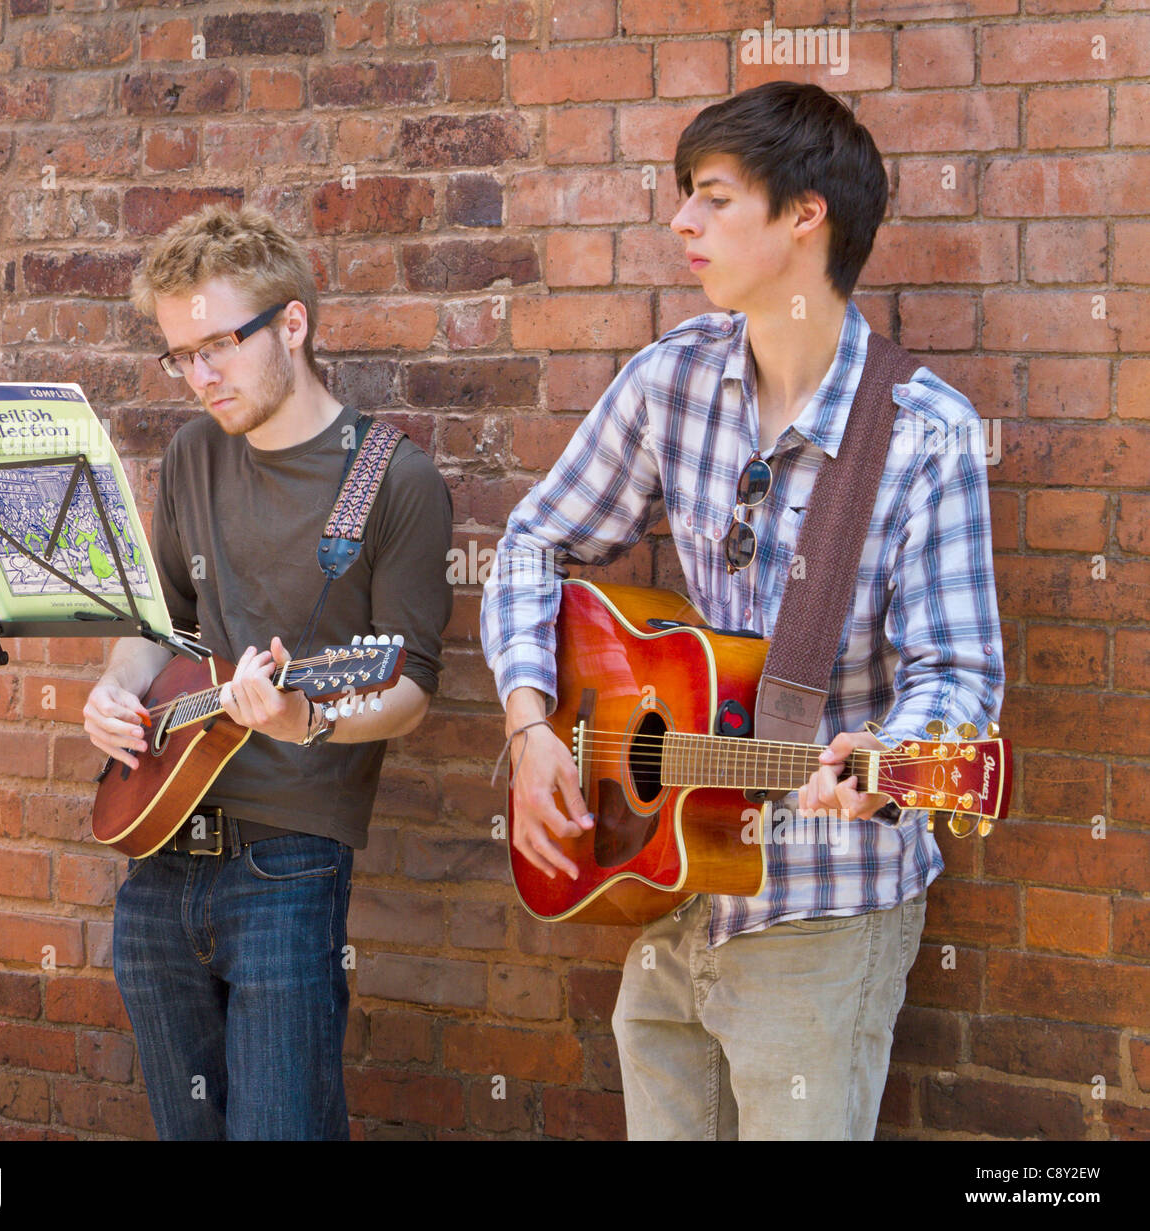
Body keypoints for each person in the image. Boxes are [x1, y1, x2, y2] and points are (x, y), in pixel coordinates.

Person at [480, 81, 1004, 1140]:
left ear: (805, 214)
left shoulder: (924, 432)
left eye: (712, 197)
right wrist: (531, 727)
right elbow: (534, 545)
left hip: (824, 908)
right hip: (669, 891)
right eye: (685, 195)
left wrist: (894, 753)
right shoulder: (671, 378)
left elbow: (959, 676)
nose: (681, 222)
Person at [83, 203, 453, 1140]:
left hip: (287, 864)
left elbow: (407, 687)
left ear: (293, 323)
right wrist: (118, 688)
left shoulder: (394, 480)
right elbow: (159, 623)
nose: (199, 377)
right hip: (158, 844)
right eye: (179, 355)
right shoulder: (192, 455)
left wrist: (307, 721)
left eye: (218, 345)